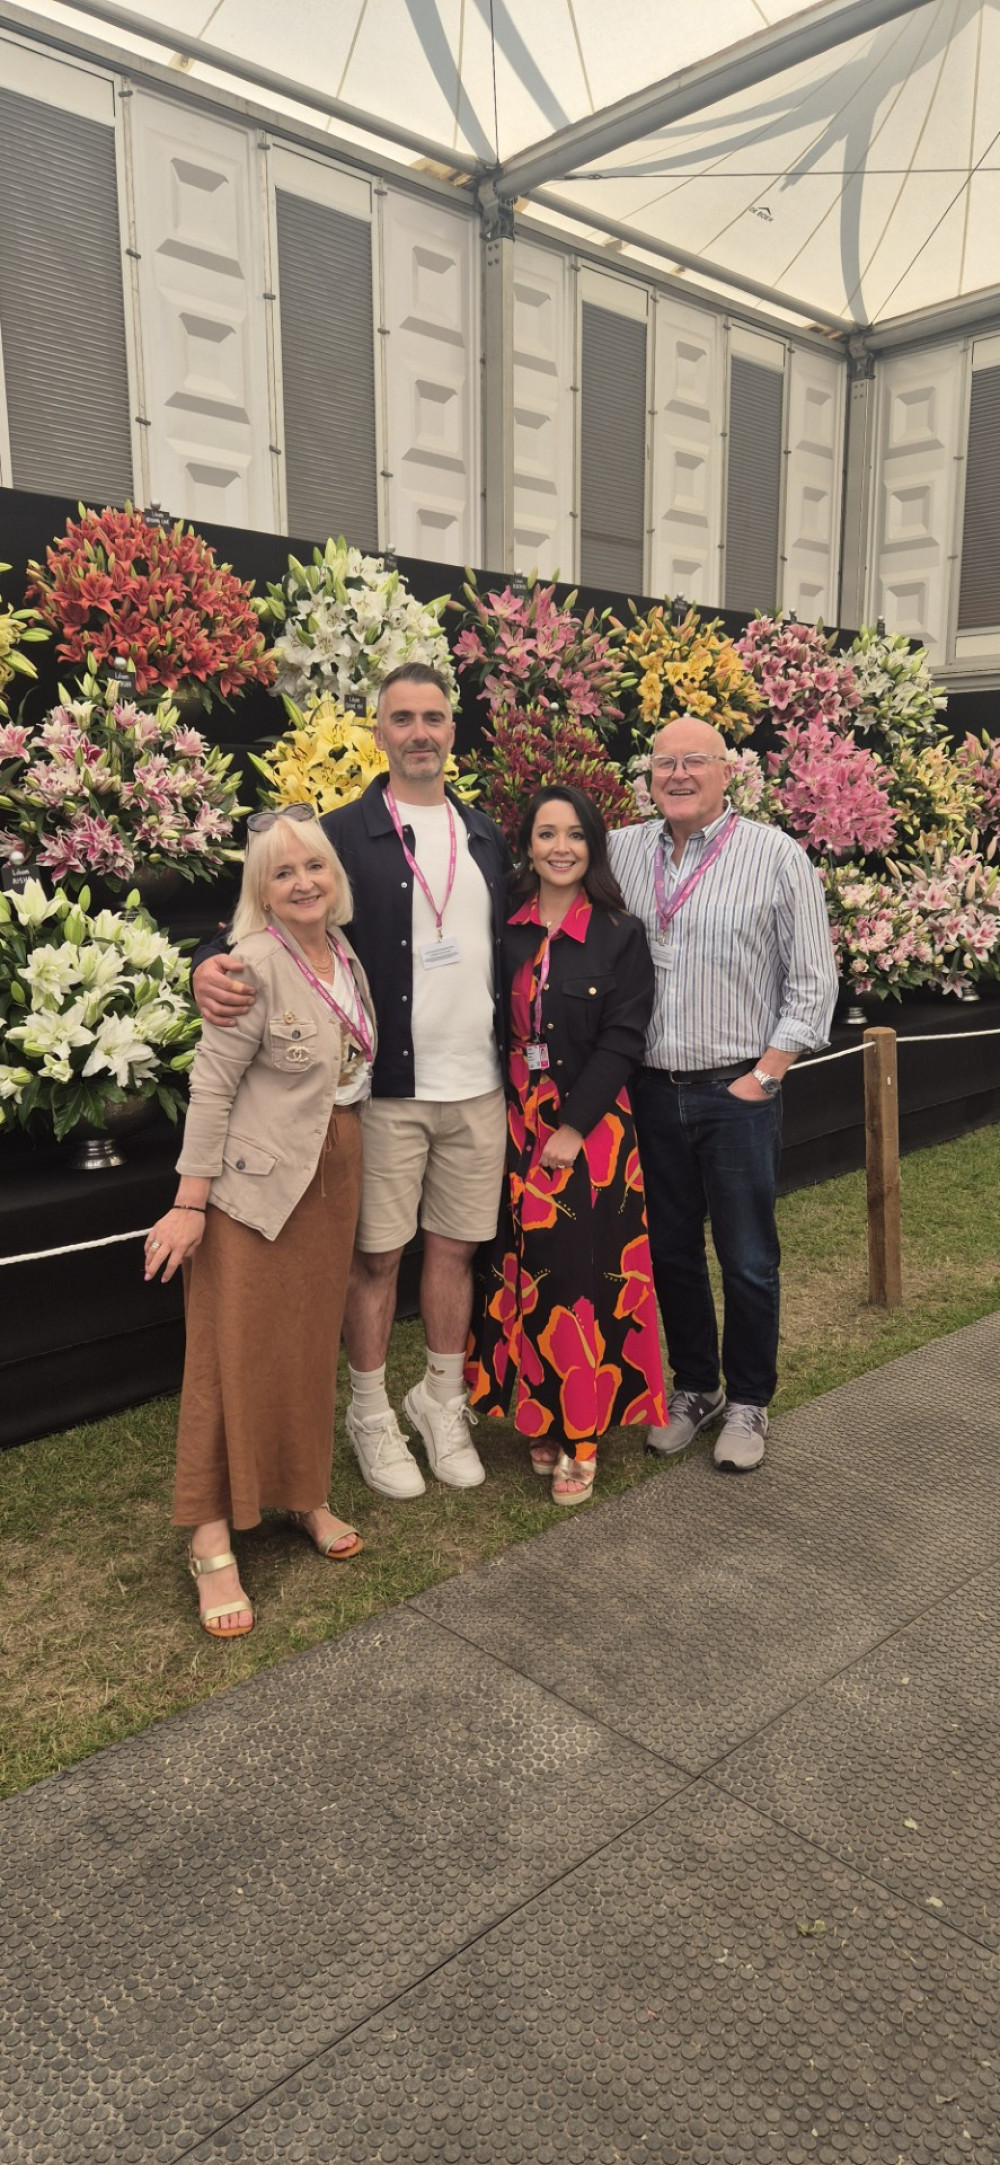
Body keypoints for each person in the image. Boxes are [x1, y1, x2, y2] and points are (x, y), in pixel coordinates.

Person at [191, 664, 510, 1502]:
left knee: (456, 1250)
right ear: (378, 732)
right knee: (375, 1260)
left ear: (453, 729)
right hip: (388, 1093)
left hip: (480, 1087)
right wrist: (204, 969)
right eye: (401, 718)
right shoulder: (338, 833)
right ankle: (369, 1413)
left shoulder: (486, 836)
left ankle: (441, 1400)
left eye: (433, 717)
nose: (419, 732)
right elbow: (258, 918)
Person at [145, 809, 377, 1638]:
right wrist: (188, 1201)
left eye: (313, 866)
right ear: (262, 890)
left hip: (331, 1170)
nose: (303, 882)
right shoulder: (247, 966)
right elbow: (211, 1085)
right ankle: (211, 1540)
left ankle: (302, 1492)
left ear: (334, 876)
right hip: (251, 1191)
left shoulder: (340, 951)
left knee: (309, 1340)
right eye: (283, 873)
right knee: (227, 1351)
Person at [608, 714, 838, 1473]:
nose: (676, 774)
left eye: (693, 761)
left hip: (735, 1091)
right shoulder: (622, 850)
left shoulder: (775, 856)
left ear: (727, 771)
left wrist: (765, 1074)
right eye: (663, 761)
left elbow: (813, 981)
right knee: (671, 1250)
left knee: (745, 1256)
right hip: (651, 1089)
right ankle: (696, 1387)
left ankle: (748, 1400)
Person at [467, 786, 666, 1503]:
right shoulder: (507, 928)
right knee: (523, 1270)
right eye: (546, 833)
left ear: (593, 846)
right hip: (513, 1119)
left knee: (580, 1276)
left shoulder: (620, 933)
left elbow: (624, 1040)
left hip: (589, 1133)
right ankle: (539, 1413)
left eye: (574, 835)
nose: (560, 847)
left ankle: (582, 1434)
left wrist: (572, 1129)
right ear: (526, 844)